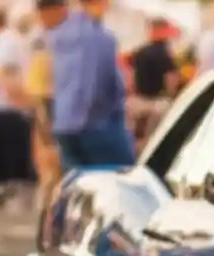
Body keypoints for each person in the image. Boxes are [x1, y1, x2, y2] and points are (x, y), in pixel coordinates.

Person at [46, 0, 134, 170]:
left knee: (78, 184)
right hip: (95, 124)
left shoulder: (59, 35)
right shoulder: (99, 36)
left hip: (65, 124)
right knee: (120, 180)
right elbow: (98, 83)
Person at [0, 9, 35, 207]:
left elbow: (5, 73)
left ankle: (11, 201)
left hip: (9, 110)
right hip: (14, 109)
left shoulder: (4, 41)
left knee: (9, 163)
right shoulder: (12, 40)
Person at [26, 0, 64, 215]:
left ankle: (50, 209)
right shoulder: (43, 39)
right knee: (51, 166)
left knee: (53, 167)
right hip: (50, 105)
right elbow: (40, 89)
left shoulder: (48, 37)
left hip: (53, 106)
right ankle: (49, 211)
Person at [127, 18, 179, 153]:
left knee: (135, 135)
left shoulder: (139, 52)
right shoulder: (164, 53)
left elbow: (131, 77)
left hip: (138, 100)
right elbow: (171, 78)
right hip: (158, 102)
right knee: (154, 139)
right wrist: (171, 96)